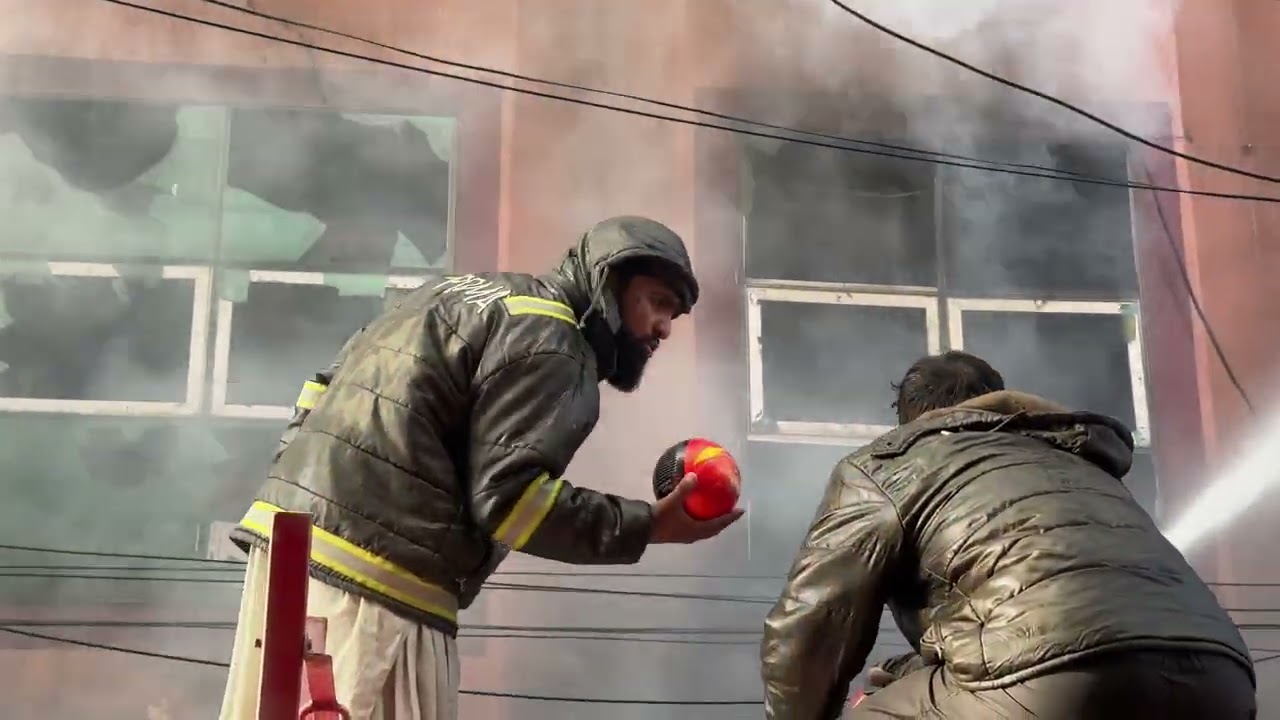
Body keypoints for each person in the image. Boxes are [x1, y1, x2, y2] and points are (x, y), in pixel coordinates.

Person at [218, 216, 744, 720]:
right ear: (609, 282)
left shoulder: (454, 292)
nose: (664, 329)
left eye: (673, 314)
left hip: (287, 550)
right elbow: (510, 502)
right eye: (658, 303)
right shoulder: (558, 344)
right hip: (378, 580)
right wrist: (648, 526)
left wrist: (299, 493)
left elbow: (319, 387)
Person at [760, 351, 1256, 719]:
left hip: (1050, 681)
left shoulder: (891, 464)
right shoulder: (1086, 467)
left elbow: (810, 625)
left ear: (911, 421)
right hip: (1223, 681)